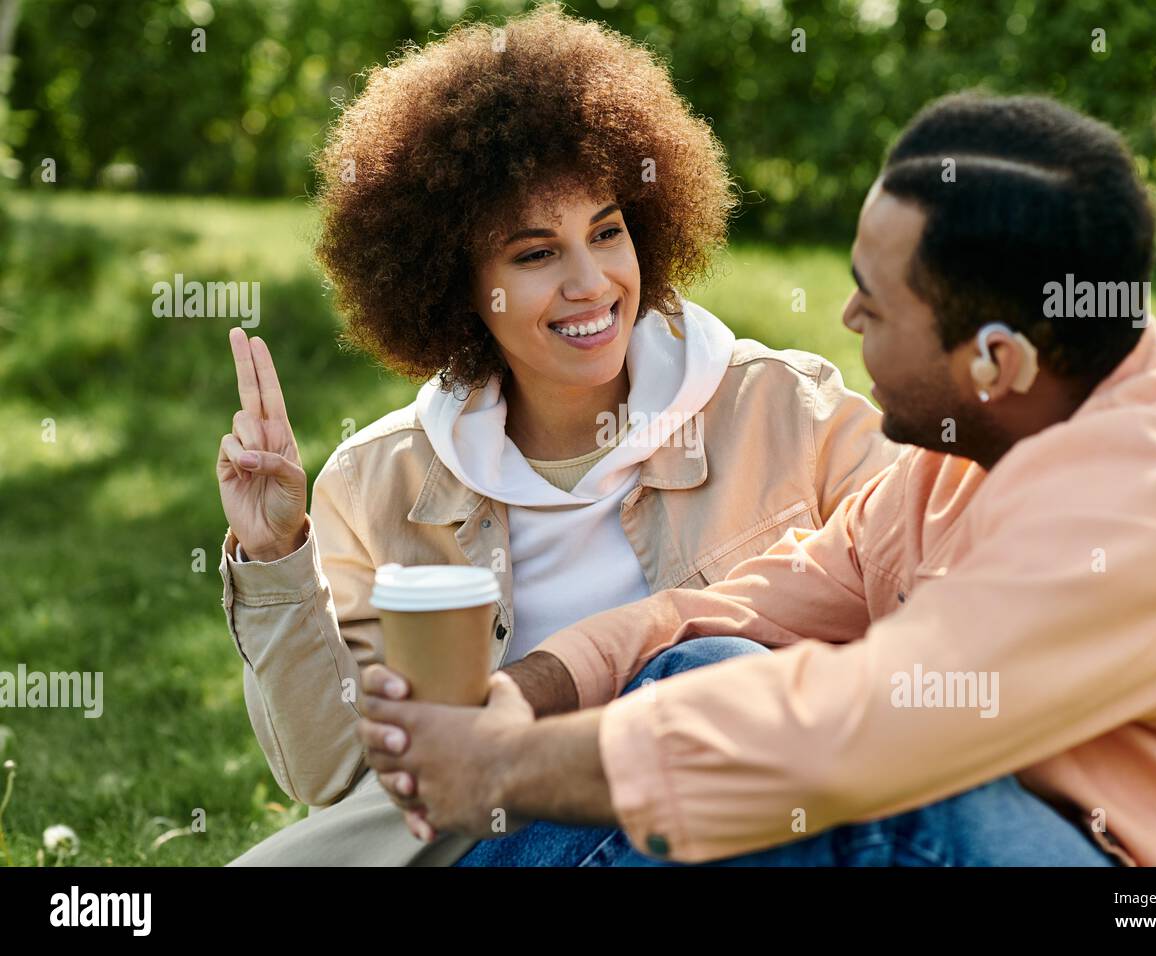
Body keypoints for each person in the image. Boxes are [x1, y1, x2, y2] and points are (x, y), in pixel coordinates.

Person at [359, 91, 1156, 867]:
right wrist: (532, 689)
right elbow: (734, 608)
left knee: (862, 802)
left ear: (997, 362)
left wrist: (508, 769)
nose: (846, 316)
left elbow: (851, 731)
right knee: (706, 672)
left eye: (878, 303)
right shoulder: (957, 458)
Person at [217, 4, 897, 866]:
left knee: (711, 673)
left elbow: (929, 594)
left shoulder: (789, 411)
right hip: (493, 841)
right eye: (535, 254)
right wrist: (274, 551)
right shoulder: (378, 483)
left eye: (607, 233)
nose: (592, 284)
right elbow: (330, 772)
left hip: (738, 821)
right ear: (457, 282)